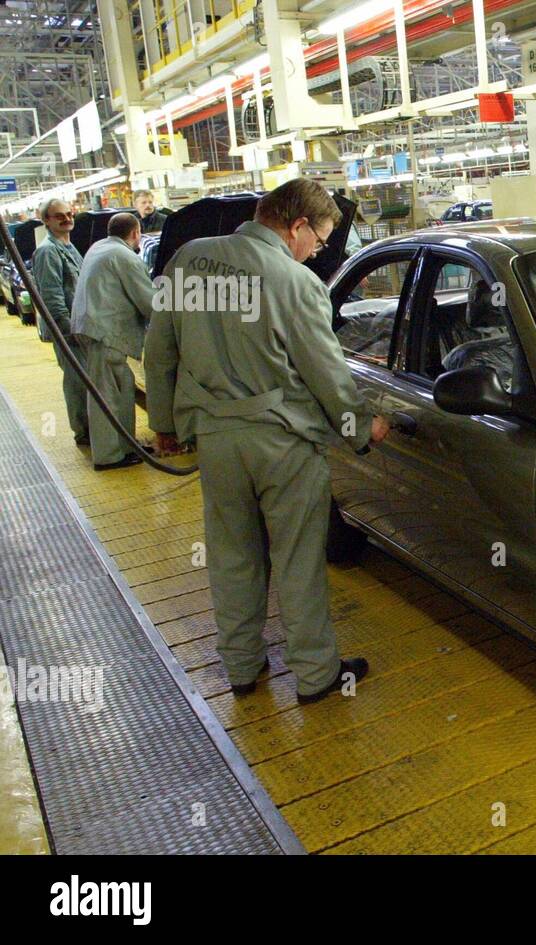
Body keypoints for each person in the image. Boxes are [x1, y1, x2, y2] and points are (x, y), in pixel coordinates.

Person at [145, 178, 389, 704]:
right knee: (298, 560)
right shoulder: (295, 281)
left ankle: (241, 667)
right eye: (319, 241)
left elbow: (159, 348)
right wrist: (359, 427)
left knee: (233, 556)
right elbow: (326, 372)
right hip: (283, 443)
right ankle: (316, 675)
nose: (316, 251)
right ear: (297, 225)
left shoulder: (188, 260)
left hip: (214, 438)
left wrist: (163, 424)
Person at [70, 212, 156, 470]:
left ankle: (124, 446)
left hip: (93, 329)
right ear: (135, 233)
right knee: (108, 396)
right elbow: (149, 302)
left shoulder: (99, 247)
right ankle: (109, 456)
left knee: (119, 390)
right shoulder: (126, 257)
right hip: (106, 334)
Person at [31, 198, 88, 445]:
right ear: (46, 221)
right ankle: (85, 433)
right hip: (68, 329)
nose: (67, 218)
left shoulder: (68, 246)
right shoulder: (47, 251)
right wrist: (67, 331)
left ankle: (91, 428)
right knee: (78, 382)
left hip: (80, 326)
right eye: (59, 216)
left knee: (85, 380)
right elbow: (52, 296)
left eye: (69, 213)